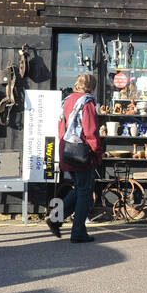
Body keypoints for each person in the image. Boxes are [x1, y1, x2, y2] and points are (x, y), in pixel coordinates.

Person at [49, 73, 102, 243]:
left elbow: (60, 127)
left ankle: (56, 219)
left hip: (67, 150)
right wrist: (97, 152)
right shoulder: (87, 103)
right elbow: (90, 131)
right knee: (85, 192)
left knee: (79, 189)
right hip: (81, 153)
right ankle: (78, 232)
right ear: (92, 86)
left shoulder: (68, 100)